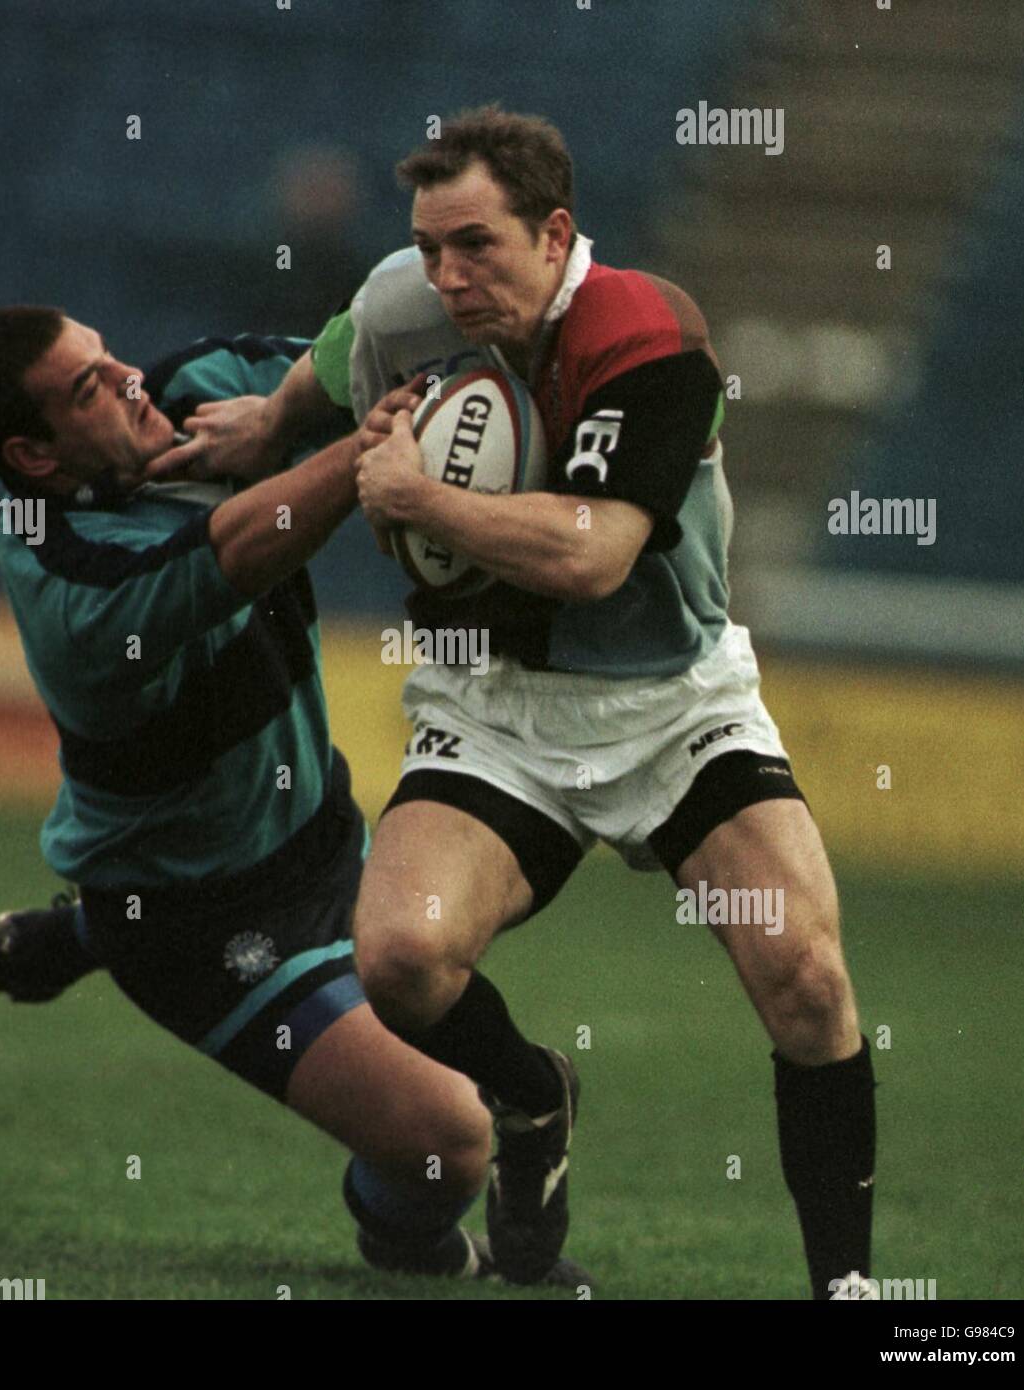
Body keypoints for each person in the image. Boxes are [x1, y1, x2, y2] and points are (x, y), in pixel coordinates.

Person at [157, 106, 878, 1299]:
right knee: (398, 960)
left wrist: (414, 495)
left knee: (804, 975)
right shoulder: (407, 299)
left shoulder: (650, 336)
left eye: (477, 246)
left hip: (672, 707)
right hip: (495, 708)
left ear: (556, 233)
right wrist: (273, 425)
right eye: (432, 246)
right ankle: (533, 1096)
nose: (448, 275)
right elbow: (341, 352)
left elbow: (595, 554)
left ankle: (848, 1292)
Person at [0, 304, 586, 1288]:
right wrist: (367, 450)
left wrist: (319, 401)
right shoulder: (77, 589)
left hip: (322, 836)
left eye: (110, 354)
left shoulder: (195, 390)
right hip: (198, 923)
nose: (130, 381)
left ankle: (76, 937)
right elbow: (241, 545)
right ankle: (408, 1245)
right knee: (452, 1137)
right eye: (90, 390)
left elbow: (372, 349)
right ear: (31, 455)